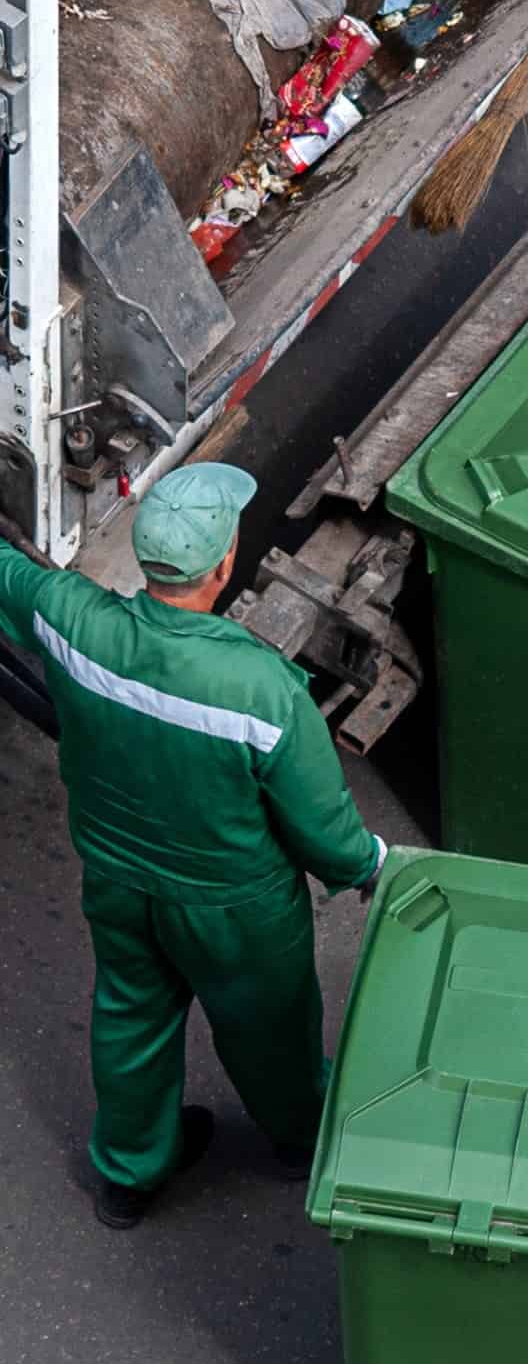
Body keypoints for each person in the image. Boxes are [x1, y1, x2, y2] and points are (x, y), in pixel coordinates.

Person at [0, 464, 384, 1230]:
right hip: (236, 906)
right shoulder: (263, 689)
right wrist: (369, 867)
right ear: (221, 567)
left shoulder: (71, 621)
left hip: (118, 880)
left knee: (131, 1016)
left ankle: (129, 1173)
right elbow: (323, 829)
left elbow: (11, 575)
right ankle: (299, 1141)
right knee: (269, 1027)